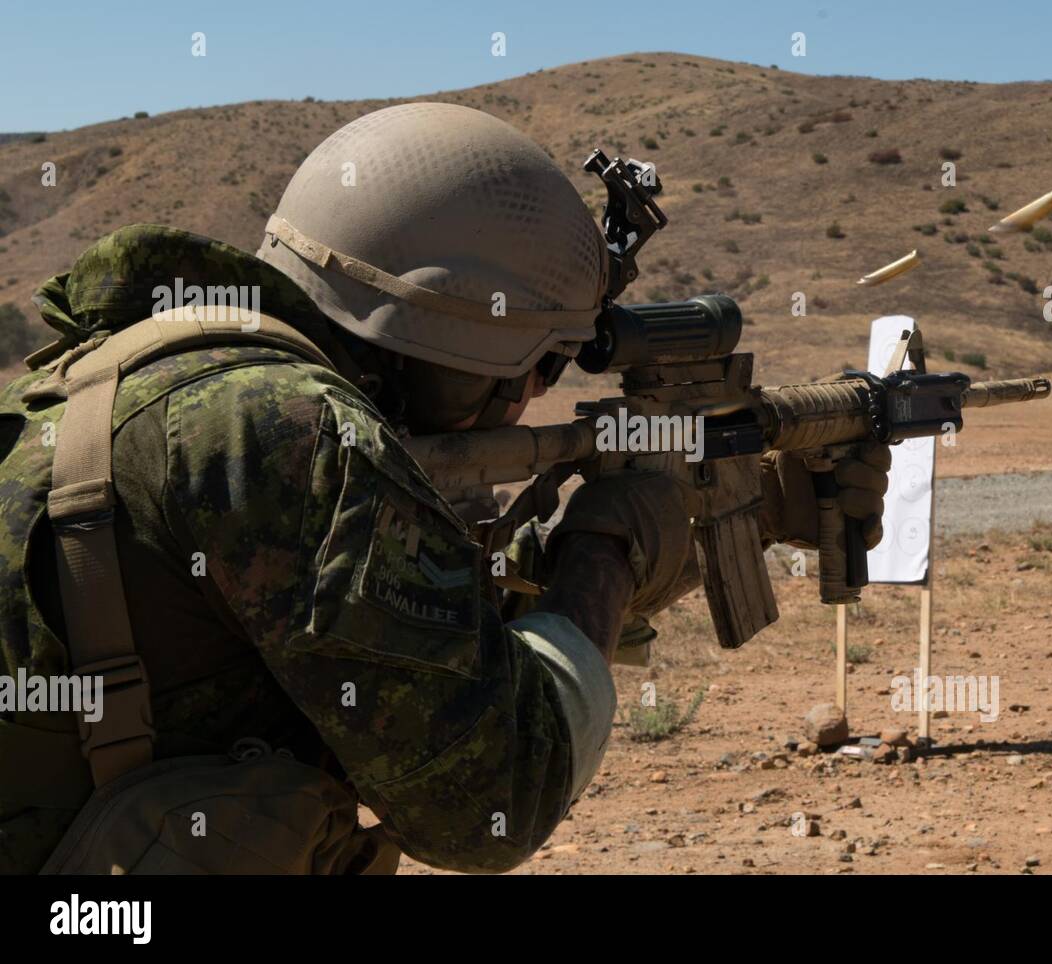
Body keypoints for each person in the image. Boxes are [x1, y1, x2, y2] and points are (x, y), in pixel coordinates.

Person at [0, 102, 889, 874]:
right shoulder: (295, 434)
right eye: (535, 364)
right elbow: (497, 792)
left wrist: (756, 509)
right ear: (457, 336)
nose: (534, 394)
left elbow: (403, 647)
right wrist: (605, 553)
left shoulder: (132, 373)